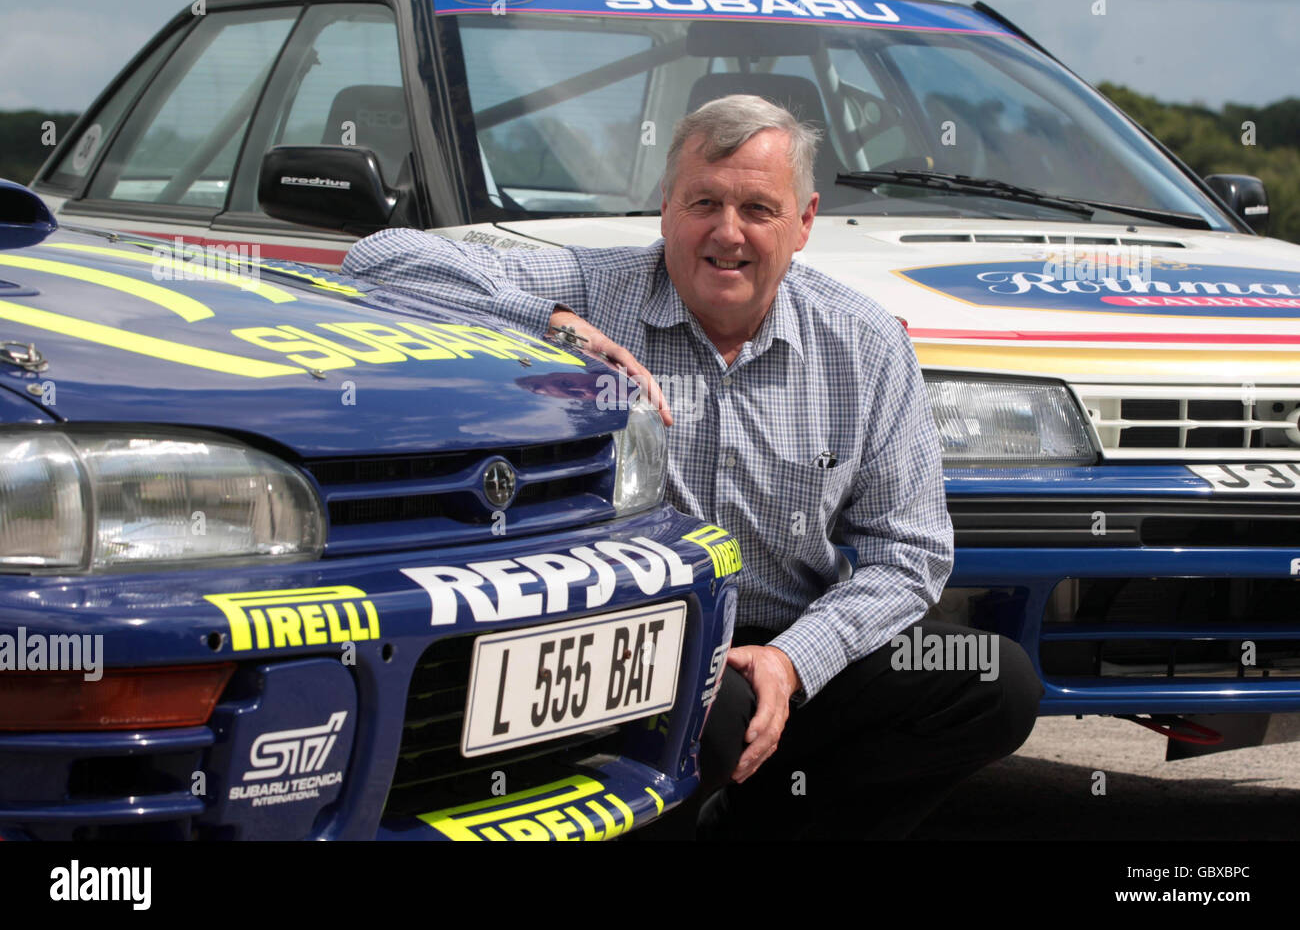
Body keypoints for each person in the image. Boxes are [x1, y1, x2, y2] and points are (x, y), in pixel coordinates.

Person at [342, 94, 1042, 839]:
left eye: (757, 209)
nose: (727, 232)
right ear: (665, 209)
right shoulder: (592, 287)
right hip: (634, 643)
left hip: (794, 637)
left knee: (994, 678)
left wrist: (792, 661)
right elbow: (379, 257)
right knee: (713, 716)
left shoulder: (865, 342)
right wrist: (553, 323)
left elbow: (912, 552)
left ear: (804, 223)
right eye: (703, 201)